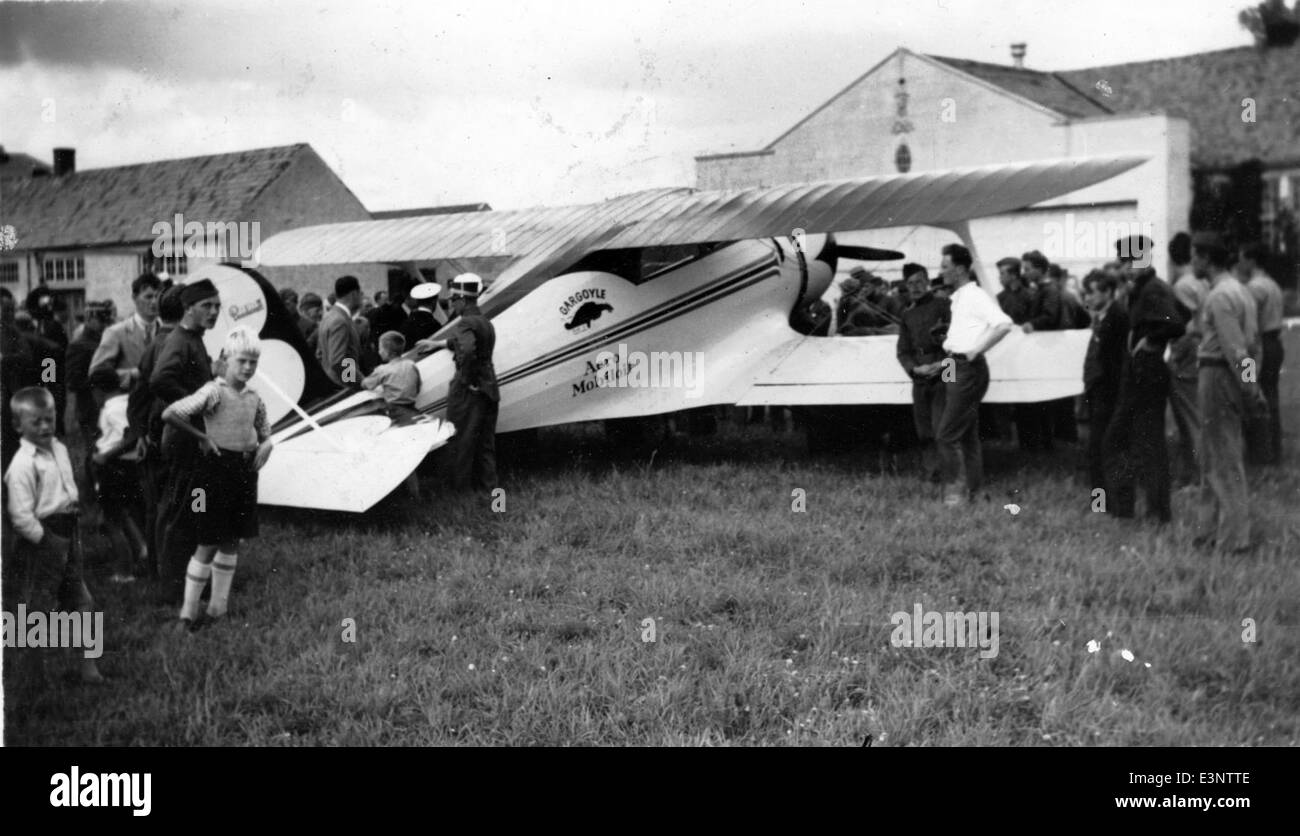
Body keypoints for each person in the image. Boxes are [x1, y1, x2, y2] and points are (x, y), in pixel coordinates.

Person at [162, 327, 273, 631]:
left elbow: (265, 431)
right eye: (242, 361)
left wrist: (266, 444)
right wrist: (200, 437)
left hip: (243, 474)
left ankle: (217, 610)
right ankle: (187, 614)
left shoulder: (254, 397)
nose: (248, 368)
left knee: (232, 539)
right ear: (226, 359)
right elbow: (171, 413)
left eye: (253, 362)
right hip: (213, 473)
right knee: (207, 540)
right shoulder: (213, 391)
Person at [4, 386, 103, 683]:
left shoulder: (58, 448)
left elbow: (66, 484)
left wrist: (74, 506)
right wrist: (46, 541)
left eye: (50, 418)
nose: (46, 426)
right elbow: (20, 515)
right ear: (18, 426)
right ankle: (33, 675)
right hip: (44, 539)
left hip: (68, 532)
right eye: (37, 422)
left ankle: (89, 668)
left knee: (83, 601)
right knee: (38, 610)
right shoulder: (23, 464)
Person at [1101, 235, 1185, 524]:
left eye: (1130, 262)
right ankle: (1143, 510)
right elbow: (1182, 312)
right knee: (1140, 443)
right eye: (1124, 262)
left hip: (1146, 372)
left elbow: (1176, 322)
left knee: (1134, 443)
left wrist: (1151, 340)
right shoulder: (1143, 288)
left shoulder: (1152, 289)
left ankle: (1147, 512)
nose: (1126, 268)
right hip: (1138, 372)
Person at [151, 279, 221, 594]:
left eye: (217, 306)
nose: (214, 312)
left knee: (190, 510)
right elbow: (160, 379)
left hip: (190, 436)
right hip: (185, 438)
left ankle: (189, 580)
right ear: (188, 308)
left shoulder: (194, 338)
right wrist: (193, 404)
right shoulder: (180, 340)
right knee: (180, 513)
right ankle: (174, 587)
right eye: (207, 306)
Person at [1193, 232, 1262, 553]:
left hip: (1218, 375)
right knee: (1214, 456)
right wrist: (1251, 384)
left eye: (1195, 256)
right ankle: (1208, 532)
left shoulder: (1220, 296)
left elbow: (1236, 349)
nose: (1192, 261)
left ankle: (1234, 540)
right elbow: (1252, 345)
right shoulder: (1241, 291)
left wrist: (1250, 387)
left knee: (1223, 458)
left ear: (1206, 259)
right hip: (1224, 376)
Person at [935, 243, 1013, 506]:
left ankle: (955, 495)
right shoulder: (960, 297)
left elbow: (1003, 324)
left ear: (958, 269)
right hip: (953, 366)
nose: (941, 271)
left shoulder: (974, 295)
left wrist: (975, 351)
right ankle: (975, 493)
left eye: (945, 267)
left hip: (966, 369)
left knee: (947, 435)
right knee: (965, 434)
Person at [416, 273, 499, 492]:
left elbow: (468, 350)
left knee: (461, 440)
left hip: (469, 391)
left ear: (462, 299)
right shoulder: (484, 322)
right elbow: (468, 344)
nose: (452, 303)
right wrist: (438, 344)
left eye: (454, 299)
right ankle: (489, 489)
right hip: (490, 387)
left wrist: (467, 380)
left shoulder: (465, 323)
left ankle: (460, 492)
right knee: (485, 444)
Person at [128, 284, 185, 571]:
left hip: (153, 433)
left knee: (157, 504)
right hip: (166, 433)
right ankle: (166, 569)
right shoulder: (173, 343)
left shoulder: (158, 343)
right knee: (168, 504)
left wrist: (139, 433)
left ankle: (156, 566)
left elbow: (137, 395)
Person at [88, 366, 147, 583]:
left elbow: (130, 436)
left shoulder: (112, 409)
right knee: (122, 514)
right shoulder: (127, 402)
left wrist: (106, 455)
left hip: (114, 467)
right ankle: (141, 548)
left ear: (98, 390)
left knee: (112, 521)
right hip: (129, 467)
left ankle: (124, 572)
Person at [895, 265, 950, 481]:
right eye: (910, 284)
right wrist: (915, 368)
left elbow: (957, 344)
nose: (915, 287)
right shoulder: (907, 314)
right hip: (920, 373)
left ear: (927, 282)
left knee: (944, 425)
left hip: (947, 369)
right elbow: (902, 351)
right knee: (924, 428)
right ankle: (932, 473)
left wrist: (943, 366)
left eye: (919, 282)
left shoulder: (944, 305)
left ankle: (951, 472)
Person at [1081, 270, 1130, 494]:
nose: (1087, 299)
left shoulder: (1116, 316)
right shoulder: (1103, 315)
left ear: (1108, 292)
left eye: (1091, 293)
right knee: (1098, 447)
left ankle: (1104, 501)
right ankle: (1102, 501)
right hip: (1099, 388)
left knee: (1101, 447)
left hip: (1108, 390)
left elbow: (1112, 360)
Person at [1236, 241, 1284, 465]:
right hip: (1275, 342)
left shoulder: (1254, 287)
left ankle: (1260, 452)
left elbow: (1248, 323)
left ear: (1251, 260)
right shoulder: (1272, 284)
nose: (1239, 263)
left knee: (1254, 396)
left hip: (1260, 345)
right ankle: (1274, 449)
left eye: (1242, 258)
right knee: (1271, 396)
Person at [363, 330, 424, 498]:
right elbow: (418, 386)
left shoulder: (382, 370)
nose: (378, 352)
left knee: (402, 456)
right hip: (412, 410)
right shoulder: (411, 365)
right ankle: (414, 493)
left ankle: (411, 494)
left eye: (380, 349)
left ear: (387, 351)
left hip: (395, 413)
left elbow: (366, 385)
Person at [89, 272, 162, 388]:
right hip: (128, 401)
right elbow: (96, 372)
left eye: (157, 296)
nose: (154, 302)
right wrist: (131, 375)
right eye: (148, 297)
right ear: (134, 298)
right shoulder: (116, 333)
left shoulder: (168, 332)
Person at [65, 301, 112, 445]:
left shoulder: (105, 340)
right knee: (94, 452)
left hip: (104, 406)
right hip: (90, 408)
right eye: (101, 320)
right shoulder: (78, 345)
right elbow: (72, 381)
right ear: (89, 319)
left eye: (106, 320)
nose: (104, 324)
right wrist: (97, 380)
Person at [316, 275, 367, 389]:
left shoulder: (328, 317)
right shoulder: (340, 320)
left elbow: (320, 354)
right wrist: (361, 382)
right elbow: (339, 361)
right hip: (344, 388)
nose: (361, 297)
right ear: (354, 294)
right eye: (360, 294)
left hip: (333, 385)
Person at [995, 257, 1033, 325]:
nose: (999, 277)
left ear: (1013, 276)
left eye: (1002, 273)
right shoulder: (999, 298)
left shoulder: (1030, 296)